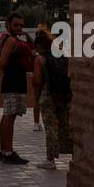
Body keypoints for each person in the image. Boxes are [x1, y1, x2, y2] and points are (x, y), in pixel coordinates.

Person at [0, 12, 35, 165]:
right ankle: (8, 152)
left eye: (21, 25)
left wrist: (27, 36)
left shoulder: (10, 39)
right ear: (8, 25)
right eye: (16, 25)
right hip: (13, 82)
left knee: (7, 116)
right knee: (9, 117)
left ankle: (3, 151)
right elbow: (2, 63)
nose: (19, 28)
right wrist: (14, 67)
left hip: (13, 82)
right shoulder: (11, 41)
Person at [32, 28, 73, 170]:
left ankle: (50, 160)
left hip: (48, 96)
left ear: (39, 46)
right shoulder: (63, 56)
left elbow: (37, 81)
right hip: (64, 96)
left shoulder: (39, 59)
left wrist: (36, 97)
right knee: (66, 126)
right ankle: (73, 156)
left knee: (51, 127)